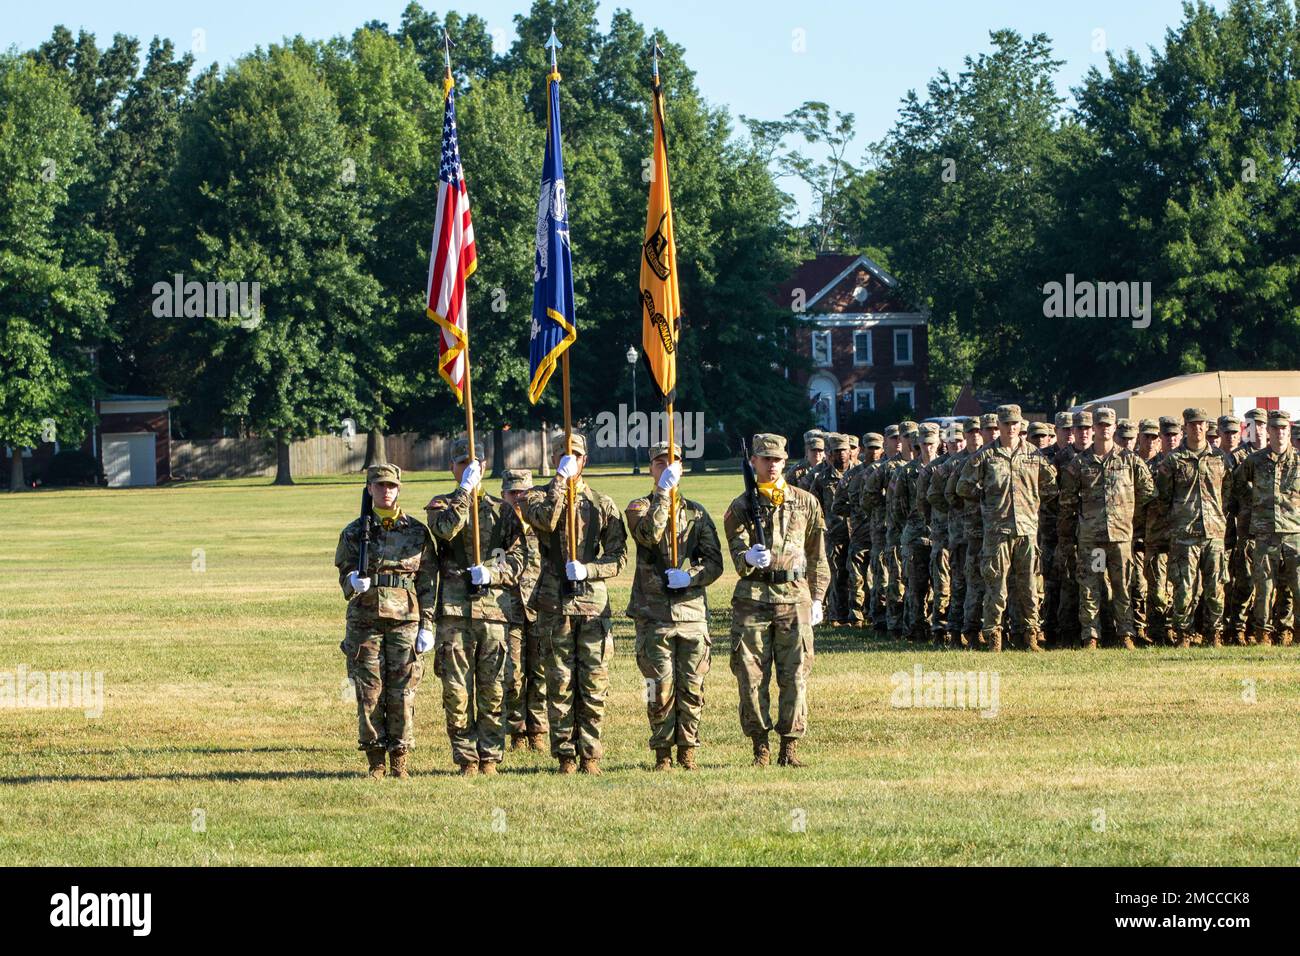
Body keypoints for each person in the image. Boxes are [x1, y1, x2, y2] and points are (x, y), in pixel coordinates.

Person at [523, 432, 629, 775]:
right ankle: (566, 756)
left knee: (594, 683)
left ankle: (591, 754)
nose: (572, 459)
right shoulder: (537, 496)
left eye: (578, 455)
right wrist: (560, 482)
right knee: (559, 682)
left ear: (586, 460)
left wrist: (590, 568)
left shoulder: (602, 503)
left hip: (592, 604)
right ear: (555, 458)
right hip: (554, 603)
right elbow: (545, 521)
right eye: (565, 454)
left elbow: (618, 556)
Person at [723, 433, 829, 768]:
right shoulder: (741, 505)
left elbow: (817, 556)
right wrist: (747, 558)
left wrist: (818, 597)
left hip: (794, 596)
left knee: (795, 673)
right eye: (765, 459)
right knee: (751, 676)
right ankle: (760, 747)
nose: (771, 465)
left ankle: (789, 746)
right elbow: (735, 546)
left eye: (777, 459)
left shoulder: (805, 502)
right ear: (753, 461)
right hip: (753, 597)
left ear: (785, 461)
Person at [425, 438, 528, 776]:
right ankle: (467, 757)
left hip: (493, 612)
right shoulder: (441, 505)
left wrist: (493, 573)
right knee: (456, 692)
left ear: (485, 466)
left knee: (494, 688)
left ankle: (491, 757)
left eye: (475, 463)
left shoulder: (503, 511)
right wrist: (465, 492)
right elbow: (445, 530)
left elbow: (519, 559)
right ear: (453, 468)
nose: (469, 468)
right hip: (455, 612)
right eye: (461, 464)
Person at [624, 441, 724, 770]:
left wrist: (691, 577)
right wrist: (664, 496)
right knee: (658, 688)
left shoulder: (697, 512)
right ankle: (662, 752)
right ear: (651, 467)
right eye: (659, 462)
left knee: (692, 688)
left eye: (674, 462)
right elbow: (649, 535)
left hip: (692, 614)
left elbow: (714, 562)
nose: (667, 467)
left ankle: (688, 750)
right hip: (654, 615)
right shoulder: (638, 506)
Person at [333, 463, 436, 779]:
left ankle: (400, 759)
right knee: (369, 692)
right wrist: (353, 580)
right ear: (369, 489)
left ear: (399, 489)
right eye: (379, 485)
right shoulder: (354, 532)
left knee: (403, 692)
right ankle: (376, 759)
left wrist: (427, 626)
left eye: (391, 485)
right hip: (366, 621)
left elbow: (428, 581)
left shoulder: (417, 532)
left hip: (406, 621)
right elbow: (344, 577)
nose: (386, 491)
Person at [956, 405, 1058, 652]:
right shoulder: (985, 456)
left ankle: (1030, 635)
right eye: (1007, 424)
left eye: (1015, 424)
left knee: (1029, 587)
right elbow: (963, 487)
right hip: (997, 532)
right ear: (999, 425)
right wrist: (987, 500)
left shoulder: (1033, 455)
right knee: (996, 587)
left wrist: (1032, 501)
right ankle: (993, 636)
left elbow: (1052, 484)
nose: (1011, 428)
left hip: (1026, 530)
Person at [1057, 407, 1154, 649]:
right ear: (1093, 429)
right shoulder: (1080, 463)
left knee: (1123, 585)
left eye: (1108, 424)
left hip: (1120, 537)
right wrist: (1069, 536)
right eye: (1099, 425)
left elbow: (1148, 493)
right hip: (1093, 539)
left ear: (1114, 427)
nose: (1104, 428)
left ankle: (1125, 633)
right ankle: (1091, 634)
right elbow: (1067, 501)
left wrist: (1131, 517)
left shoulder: (1130, 460)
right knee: (1091, 586)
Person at [1155, 408, 1229, 648]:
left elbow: (1228, 494)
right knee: (1184, 589)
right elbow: (1163, 498)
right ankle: (1183, 634)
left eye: (1201, 424)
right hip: (1184, 534)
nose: (1198, 428)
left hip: (1213, 533)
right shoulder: (1173, 461)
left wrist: (1219, 517)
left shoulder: (1220, 459)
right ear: (1185, 427)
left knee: (1215, 588)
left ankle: (1213, 633)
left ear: (1207, 428)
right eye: (1193, 424)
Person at [1234, 410, 1300, 646]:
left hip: (1294, 533)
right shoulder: (1255, 461)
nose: (1279, 432)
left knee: (1297, 585)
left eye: (1283, 428)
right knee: (1264, 585)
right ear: (1268, 431)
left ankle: (1295, 632)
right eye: (1275, 428)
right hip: (1264, 533)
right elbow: (1237, 483)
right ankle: (1263, 633)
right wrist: (1253, 504)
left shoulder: (1298, 460)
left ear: (1289, 431)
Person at [501, 469, 548, 753]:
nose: (518, 499)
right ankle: (518, 730)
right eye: (512, 493)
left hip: (541, 606)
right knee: (513, 674)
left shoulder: (543, 525)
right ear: (503, 495)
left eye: (523, 493)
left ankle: (538, 730)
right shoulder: (496, 526)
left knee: (541, 672)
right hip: (508, 609)